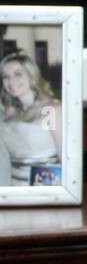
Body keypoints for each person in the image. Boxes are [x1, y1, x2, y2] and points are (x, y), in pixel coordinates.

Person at [1, 52, 61, 186]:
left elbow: (66, 159)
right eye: (6, 77)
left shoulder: (50, 110)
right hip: (13, 187)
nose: (11, 81)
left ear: (31, 75)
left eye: (18, 74)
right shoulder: (9, 112)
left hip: (43, 186)